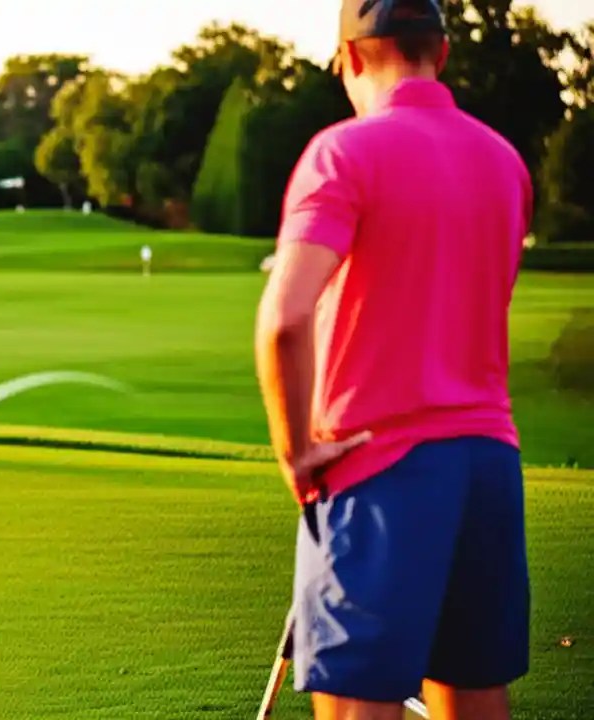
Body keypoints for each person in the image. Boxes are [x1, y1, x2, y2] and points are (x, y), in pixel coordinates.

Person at [254, 1, 533, 719]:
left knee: (359, 709)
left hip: (379, 467)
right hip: (488, 467)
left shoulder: (342, 152)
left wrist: (297, 452)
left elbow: (285, 320)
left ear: (348, 58)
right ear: (440, 54)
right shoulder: (505, 160)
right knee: (474, 699)